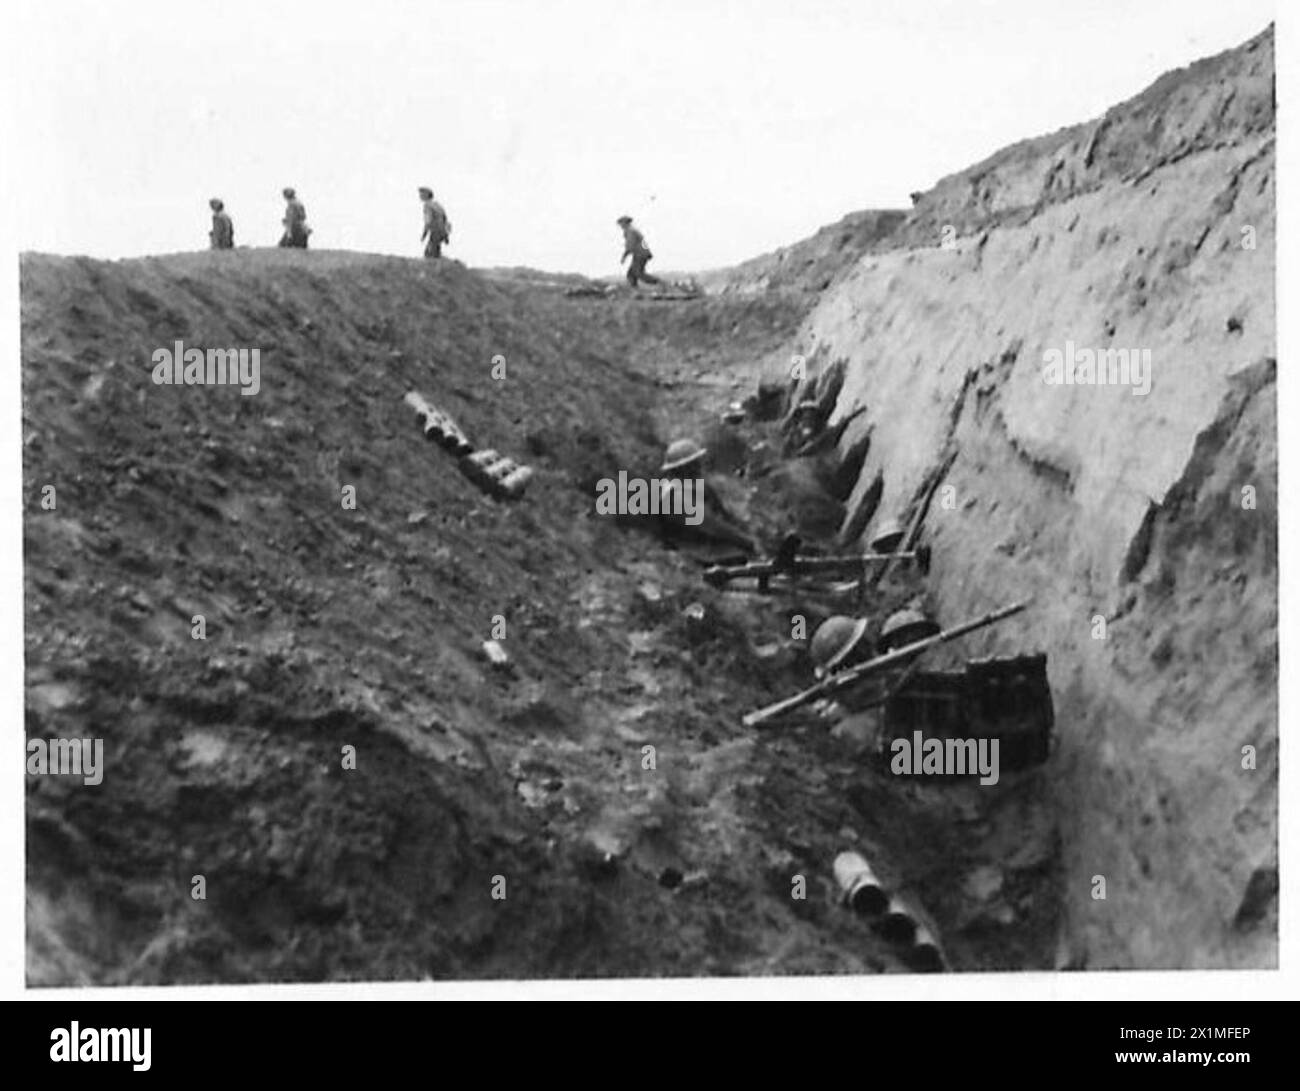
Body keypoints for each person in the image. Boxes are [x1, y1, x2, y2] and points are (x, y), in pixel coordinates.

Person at [617, 215, 660, 288]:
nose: (620, 226)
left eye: (621, 223)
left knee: (638, 273)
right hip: (641, 253)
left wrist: (624, 257)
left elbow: (630, 246)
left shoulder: (630, 231)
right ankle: (635, 290)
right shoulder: (632, 230)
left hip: (640, 254)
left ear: (625, 223)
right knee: (631, 274)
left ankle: (659, 283)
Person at [420, 186, 450, 258]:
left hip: (435, 231)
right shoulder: (438, 205)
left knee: (429, 254)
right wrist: (446, 235)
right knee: (436, 252)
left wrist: (424, 234)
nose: (420, 196)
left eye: (422, 194)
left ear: (426, 195)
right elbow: (445, 219)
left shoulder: (427, 206)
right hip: (442, 232)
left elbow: (428, 221)